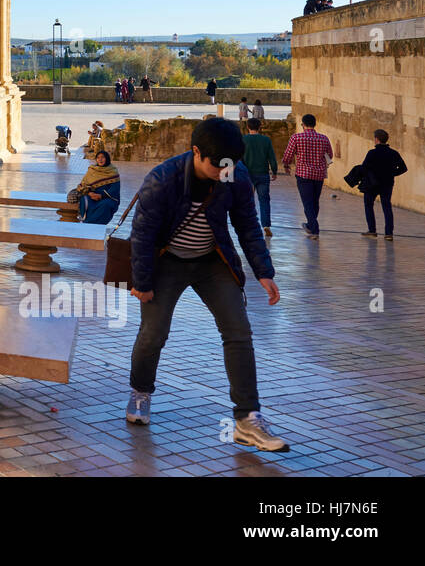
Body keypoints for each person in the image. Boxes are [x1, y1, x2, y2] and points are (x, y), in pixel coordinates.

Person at [125, 117, 285, 451]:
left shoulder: (235, 176)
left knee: (238, 332)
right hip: (167, 262)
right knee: (153, 334)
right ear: (196, 152)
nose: (225, 171)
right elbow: (142, 235)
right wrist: (142, 282)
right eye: (218, 165)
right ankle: (141, 392)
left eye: (232, 164)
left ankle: (248, 420)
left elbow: (247, 225)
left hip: (213, 261)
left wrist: (264, 271)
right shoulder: (162, 180)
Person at [281, 113, 333, 239]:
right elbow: (329, 155)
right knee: (315, 202)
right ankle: (311, 224)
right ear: (315, 124)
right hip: (319, 175)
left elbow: (288, 154)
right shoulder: (324, 138)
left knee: (307, 202)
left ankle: (314, 229)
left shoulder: (296, 138)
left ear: (303, 124)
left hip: (303, 174)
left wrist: (286, 165)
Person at [359, 129, 408, 241]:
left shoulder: (372, 153)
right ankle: (388, 233)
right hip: (387, 183)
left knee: (368, 205)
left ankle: (372, 230)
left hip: (372, 184)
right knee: (386, 206)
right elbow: (403, 168)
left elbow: (364, 168)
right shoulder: (394, 153)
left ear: (376, 139)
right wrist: (392, 174)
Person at [242, 118, 277, 237]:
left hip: (247, 174)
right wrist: (274, 170)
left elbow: (239, 157)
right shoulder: (266, 140)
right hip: (263, 174)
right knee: (264, 200)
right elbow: (271, 156)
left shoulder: (243, 139)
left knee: (247, 200)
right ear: (259, 127)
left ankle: (248, 225)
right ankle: (266, 225)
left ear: (248, 127)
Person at [74, 151, 121, 224]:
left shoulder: (113, 171)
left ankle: (90, 224)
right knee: (85, 200)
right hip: (91, 195)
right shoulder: (92, 170)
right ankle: (87, 222)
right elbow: (82, 185)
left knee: (106, 205)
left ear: (107, 159)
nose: (100, 159)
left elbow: (115, 189)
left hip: (107, 197)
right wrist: (89, 193)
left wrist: (101, 196)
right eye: (98, 158)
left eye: (102, 157)